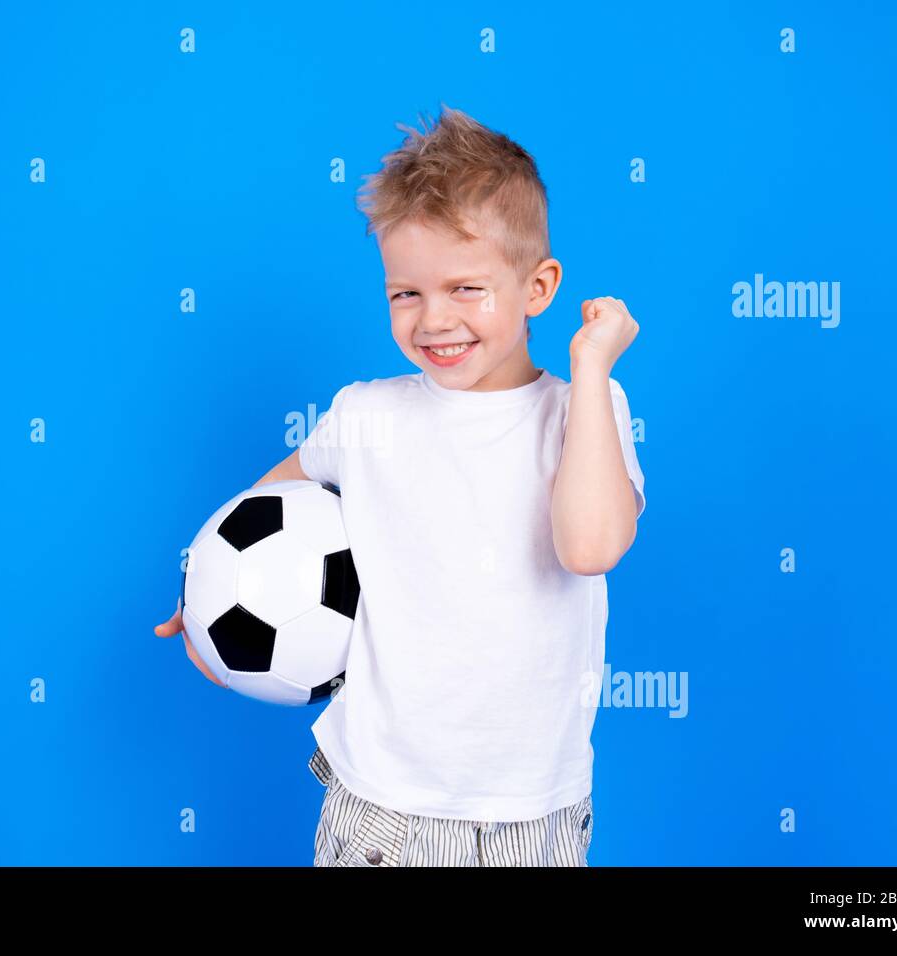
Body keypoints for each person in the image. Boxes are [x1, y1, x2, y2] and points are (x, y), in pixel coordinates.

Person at [155, 104, 645, 866]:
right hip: (383, 809)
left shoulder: (582, 411)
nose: (433, 319)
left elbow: (589, 546)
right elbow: (256, 516)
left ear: (539, 286)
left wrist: (590, 367)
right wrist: (206, 601)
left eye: (465, 288)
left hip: (535, 815)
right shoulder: (366, 415)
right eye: (405, 293)